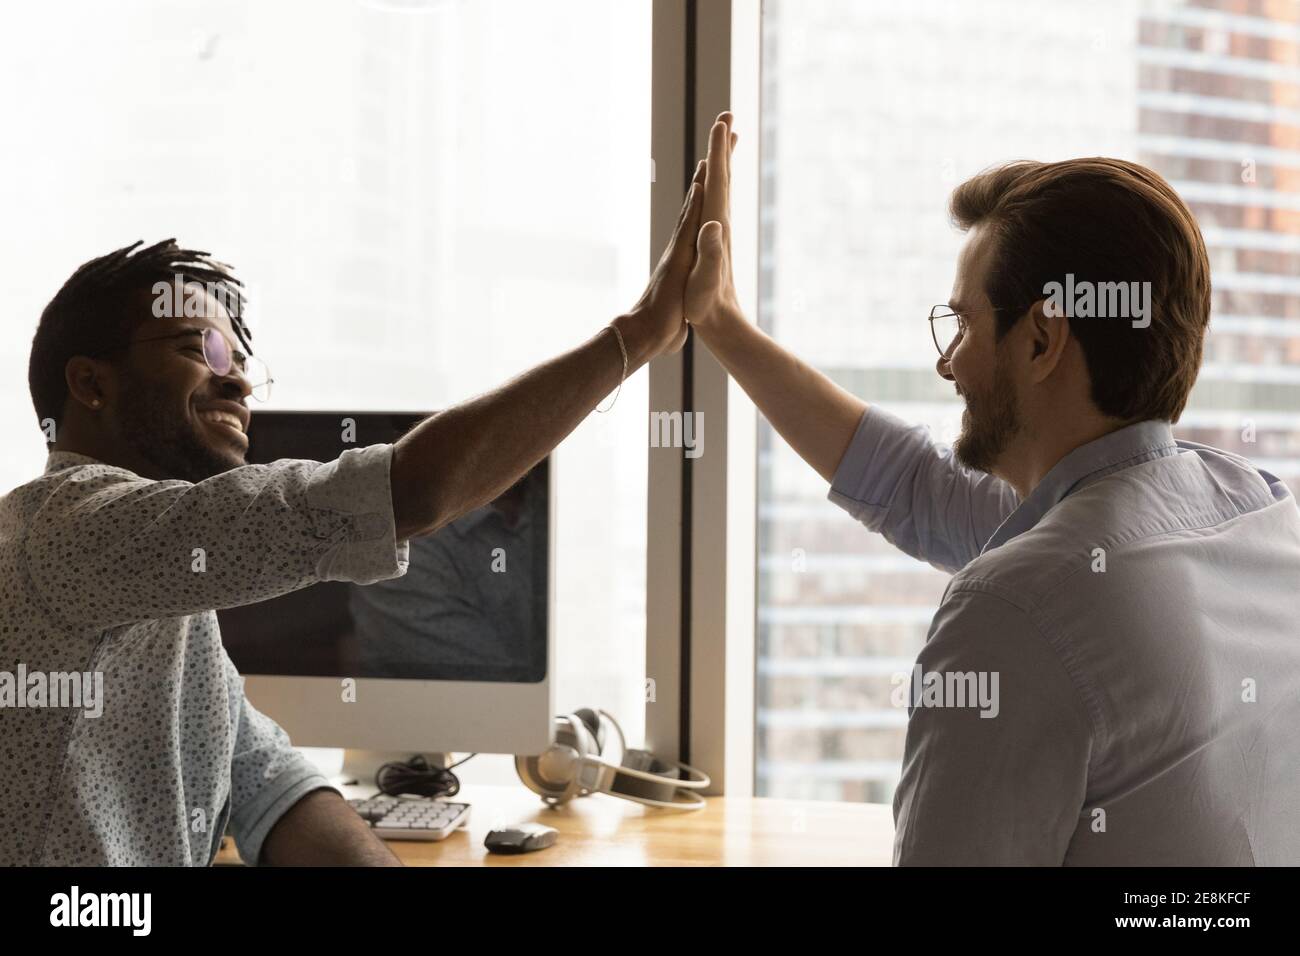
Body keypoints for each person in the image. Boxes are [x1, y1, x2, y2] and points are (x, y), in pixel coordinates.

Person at [1, 159, 711, 866]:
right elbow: (399, 495)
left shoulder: (163, 589)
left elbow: (268, 785)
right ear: (91, 384)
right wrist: (637, 336)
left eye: (243, 358)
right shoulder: (70, 528)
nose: (240, 378)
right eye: (200, 348)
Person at [685, 112, 1300, 865]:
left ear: (1042, 340)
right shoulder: (1257, 512)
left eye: (965, 326)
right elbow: (913, 486)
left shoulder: (1016, 611)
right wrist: (721, 323)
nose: (950, 365)